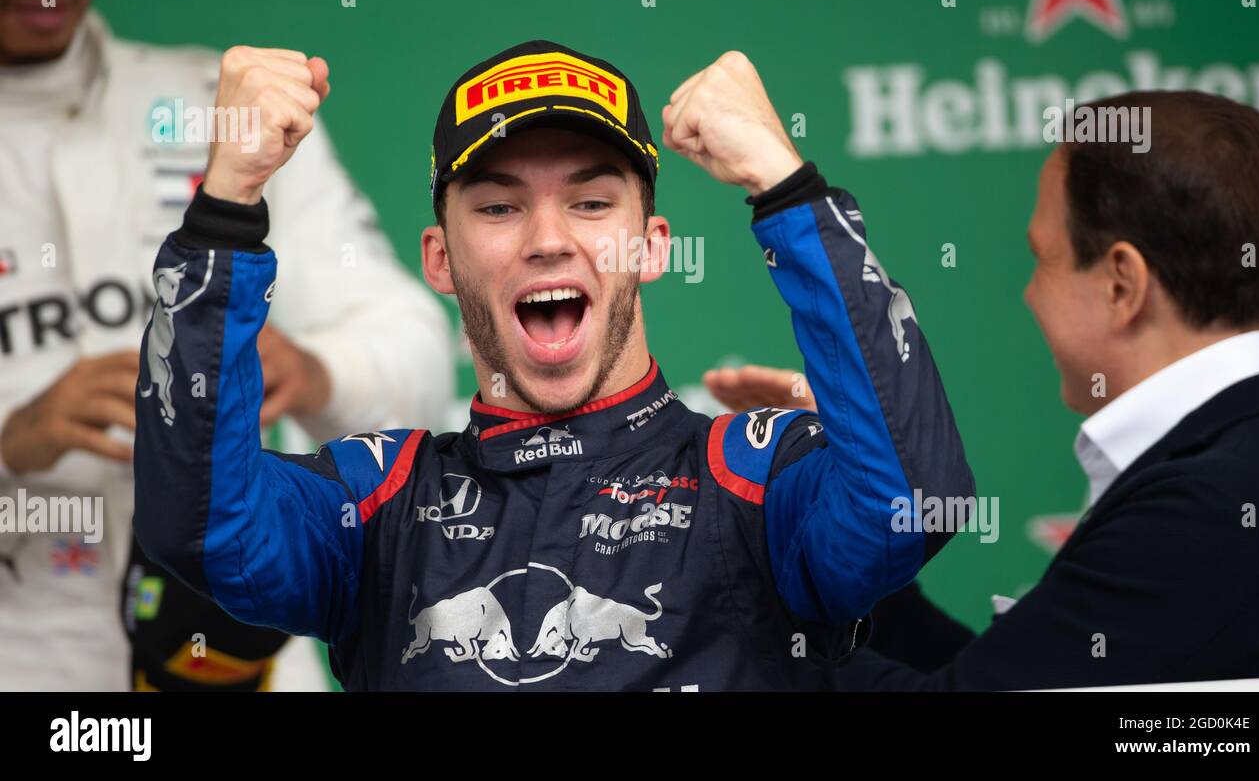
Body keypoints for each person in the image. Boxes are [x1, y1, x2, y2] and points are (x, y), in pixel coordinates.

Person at [131, 39, 975, 690]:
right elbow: (202, 527)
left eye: (591, 202)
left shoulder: (748, 479)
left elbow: (910, 506)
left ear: (652, 247)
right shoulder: (379, 500)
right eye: (500, 207)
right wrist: (227, 206)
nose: (547, 239)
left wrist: (784, 185)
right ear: (440, 259)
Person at [0, 0, 453, 690]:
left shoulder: (219, 104)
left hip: (250, 665)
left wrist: (313, 371)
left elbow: (417, 360)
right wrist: (13, 440)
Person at [710, 91, 1259, 689]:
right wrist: (852, 491)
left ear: (1122, 285)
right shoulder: (1249, 471)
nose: (1029, 294)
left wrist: (730, 606)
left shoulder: (1206, 509)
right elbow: (999, 675)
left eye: (1043, 259)